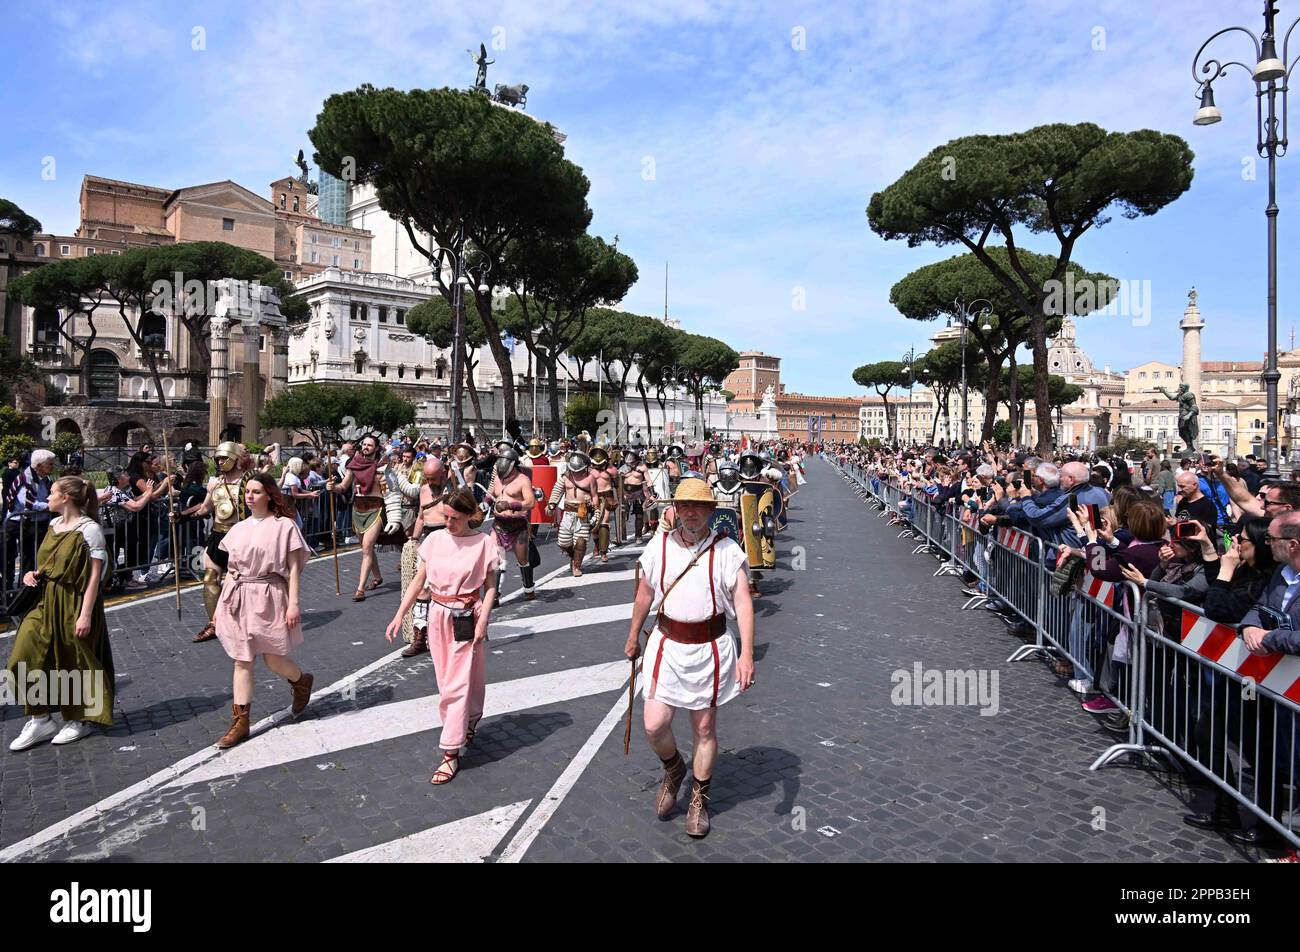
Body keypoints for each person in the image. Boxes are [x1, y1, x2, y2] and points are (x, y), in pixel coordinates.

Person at [624, 477, 756, 838]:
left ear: (711, 511)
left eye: (698, 506)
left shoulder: (728, 550)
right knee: (654, 724)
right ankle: (674, 768)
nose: (690, 513)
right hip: (666, 645)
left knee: (703, 727)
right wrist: (633, 634)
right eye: (684, 506)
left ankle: (699, 797)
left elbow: (743, 602)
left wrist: (747, 653)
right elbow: (645, 593)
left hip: (710, 647)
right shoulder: (660, 546)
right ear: (675, 510)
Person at [385, 488, 499, 785]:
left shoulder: (484, 544)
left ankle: (450, 751)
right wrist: (400, 614)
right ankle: (470, 719)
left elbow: (490, 588)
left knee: (455, 685)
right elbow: (418, 580)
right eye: (445, 517)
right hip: (437, 615)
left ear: (470, 516)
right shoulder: (434, 540)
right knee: (450, 679)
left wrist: (484, 619)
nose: (448, 523)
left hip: (466, 616)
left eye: (455, 518)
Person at [7, 475, 114, 750]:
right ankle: (41, 718)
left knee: (73, 661)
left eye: (52, 492)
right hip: (45, 600)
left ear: (65, 497)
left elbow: (95, 576)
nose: (49, 497)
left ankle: (78, 720)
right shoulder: (54, 524)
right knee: (21, 657)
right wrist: (33, 574)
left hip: (75, 602)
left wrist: (86, 613)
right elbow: (49, 563)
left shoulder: (89, 530)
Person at [210, 474, 313, 749]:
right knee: (241, 659)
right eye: (248, 491)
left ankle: (301, 682)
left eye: (257, 491)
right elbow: (225, 568)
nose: (250, 496)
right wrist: (220, 604)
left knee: (273, 660)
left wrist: (294, 603)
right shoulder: (238, 528)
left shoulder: (284, 526)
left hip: (269, 596)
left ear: (269, 494)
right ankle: (240, 722)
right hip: (238, 596)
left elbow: (293, 568)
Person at [176, 441, 252, 642]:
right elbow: (205, 508)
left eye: (224, 458)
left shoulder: (250, 482)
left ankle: (242, 620)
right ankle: (214, 624)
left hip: (242, 536)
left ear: (235, 459)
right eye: (218, 458)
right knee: (210, 578)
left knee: (237, 582)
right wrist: (182, 515)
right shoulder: (215, 483)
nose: (219, 462)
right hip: (218, 535)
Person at [326, 434, 392, 601]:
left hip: (376, 508)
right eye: (364, 444)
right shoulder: (354, 465)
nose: (366, 447)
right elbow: (343, 486)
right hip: (358, 509)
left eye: (370, 445)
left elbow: (392, 488)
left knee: (368, 547)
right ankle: (377, 577)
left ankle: (360, 589)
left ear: (376, 448)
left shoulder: (383, 465)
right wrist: (333, 487)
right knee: (366, 548)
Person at [486, 446, 537, 597]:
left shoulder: (523, 480)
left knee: (523, 560)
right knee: (494, 559)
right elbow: (490, 494)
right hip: (499, 524)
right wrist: (484, 504)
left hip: (518, 526)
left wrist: (510, 505)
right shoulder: (497, 479)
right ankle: (494, 595)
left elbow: (530, 502)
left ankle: (529, 588)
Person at [546, 451, 598, 577]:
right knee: (564, 542)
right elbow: (557, 491)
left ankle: (576, 565)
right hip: (568, 513)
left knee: (580, 542)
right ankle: (573, 556)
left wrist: (596, 511)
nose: (576, 472)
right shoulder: (565, 477)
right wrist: (552, 504)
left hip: (583, 513)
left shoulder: (590, 478)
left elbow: (595, 495)